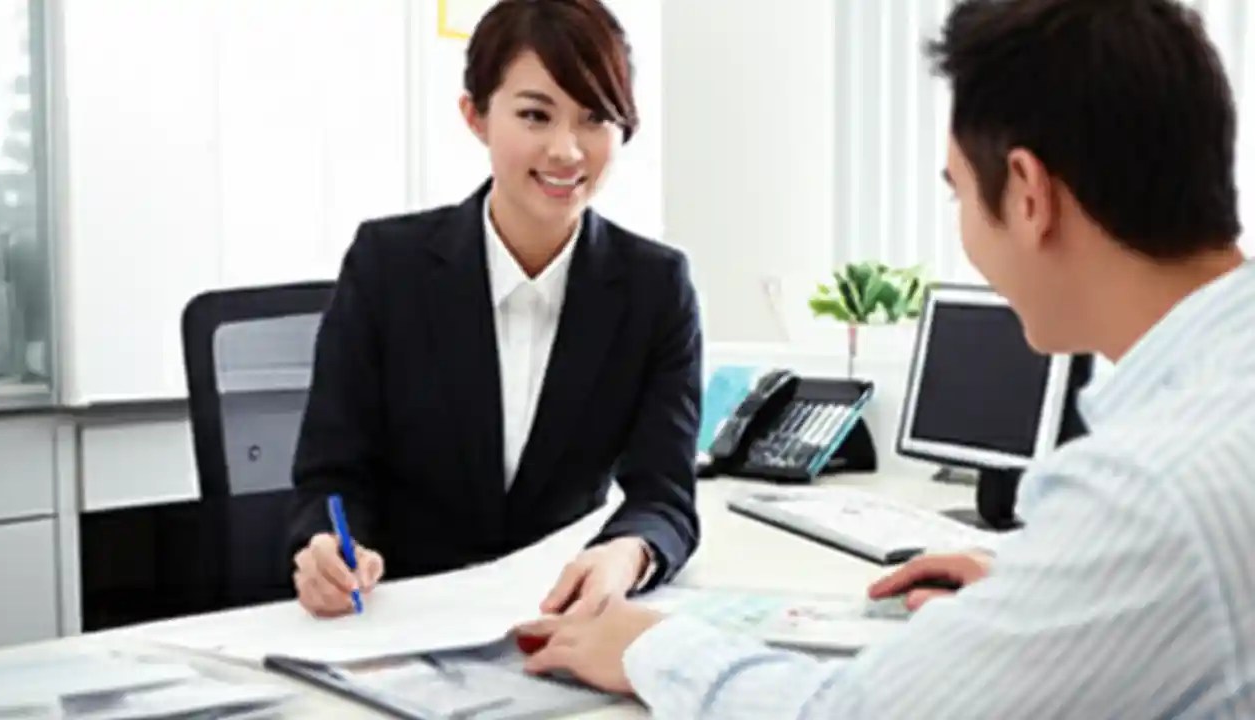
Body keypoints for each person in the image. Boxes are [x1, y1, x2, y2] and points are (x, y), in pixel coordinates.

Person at [513, 0, 1255, 716]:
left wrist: (653, 646)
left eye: (957, 193)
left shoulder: (1154, 492)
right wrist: (1052, 595)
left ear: (1027, 194)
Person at [287, 0, 701, 620]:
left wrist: (627, 552)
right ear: (475, 116)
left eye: (595, 118)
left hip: (555, 621)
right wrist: (324, 545)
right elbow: (332, 476)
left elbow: (664, 496)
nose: (567, 150)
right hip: (396, 620)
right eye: (535, 114)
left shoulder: (655, 288)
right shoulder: (387, 266)